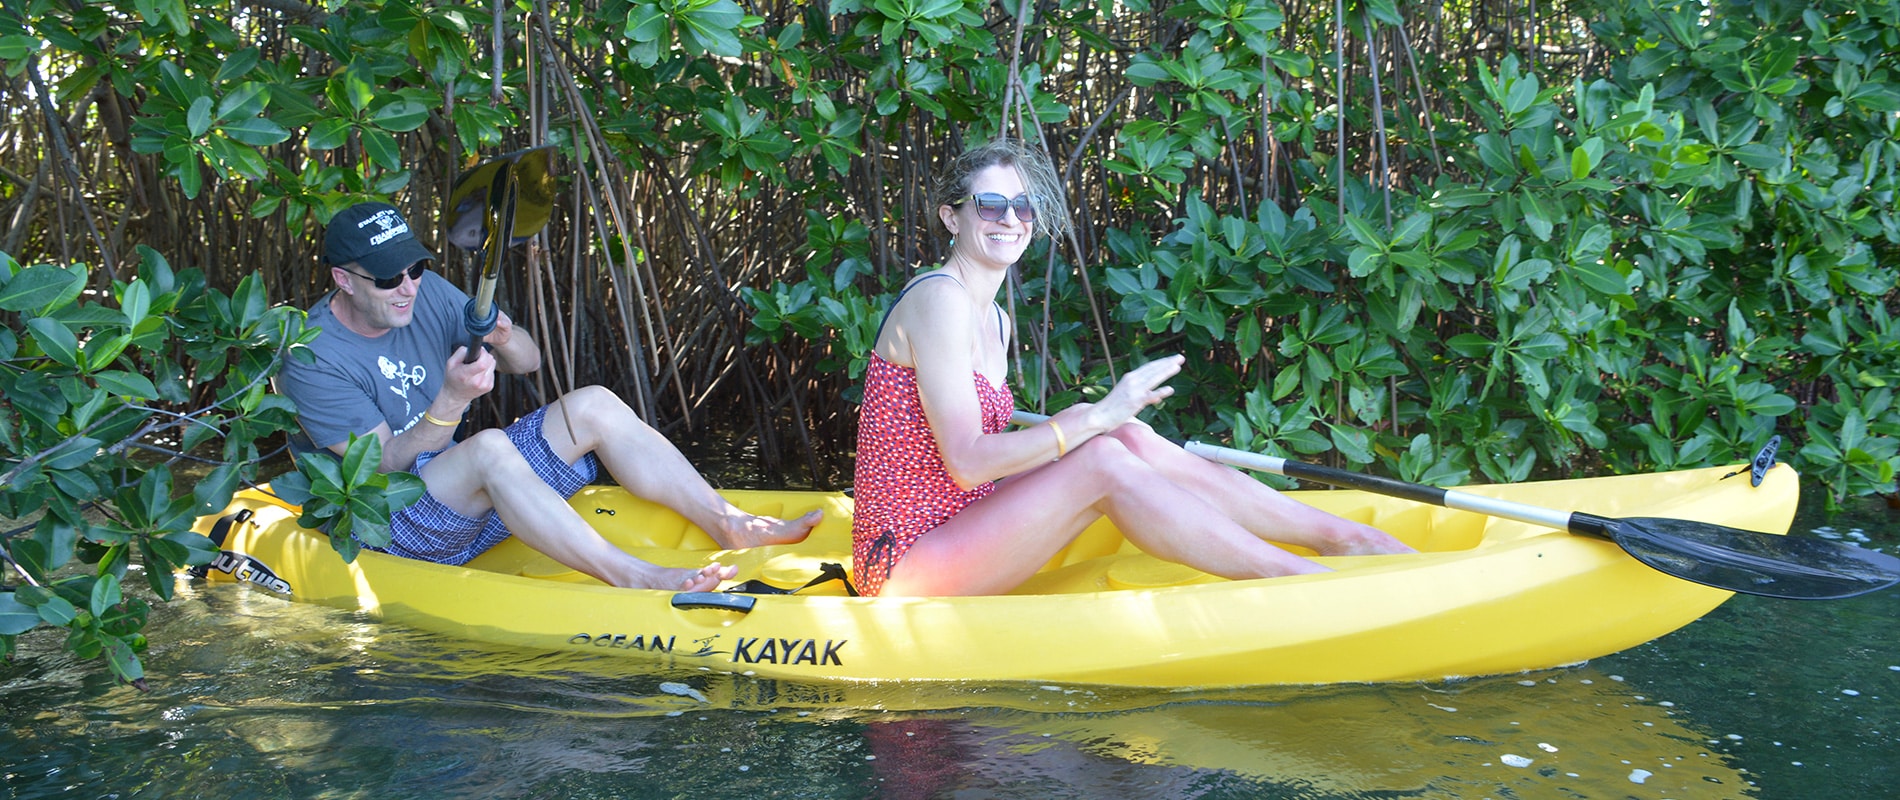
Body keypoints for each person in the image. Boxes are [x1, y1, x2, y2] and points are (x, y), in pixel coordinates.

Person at [850, 139, 1413, 597]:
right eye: (990, 205)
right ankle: (1300, 583)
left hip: (961, 524)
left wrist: (1103, 420)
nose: (1010, 220)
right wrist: (1091, 421)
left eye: (1022, 206)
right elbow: (970, 462)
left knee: (1125, 435)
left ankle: (1340, 538)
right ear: (952, 216)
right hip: (903, 560)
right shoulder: (939, 298)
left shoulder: (993, 317)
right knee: (1100, 455)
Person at [277, 201, 819, 591]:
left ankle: (726, 521)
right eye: (389, 278)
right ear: (344, 281)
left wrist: (504, 336)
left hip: (462, 502)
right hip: (388, 524)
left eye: (416, 268)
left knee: (594, 404)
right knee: (488, 446)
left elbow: (529, 362)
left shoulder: (428, 292)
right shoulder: (311, 352)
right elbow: (377, 469)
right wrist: (449, 401)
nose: (409, 286)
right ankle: (633, 576)